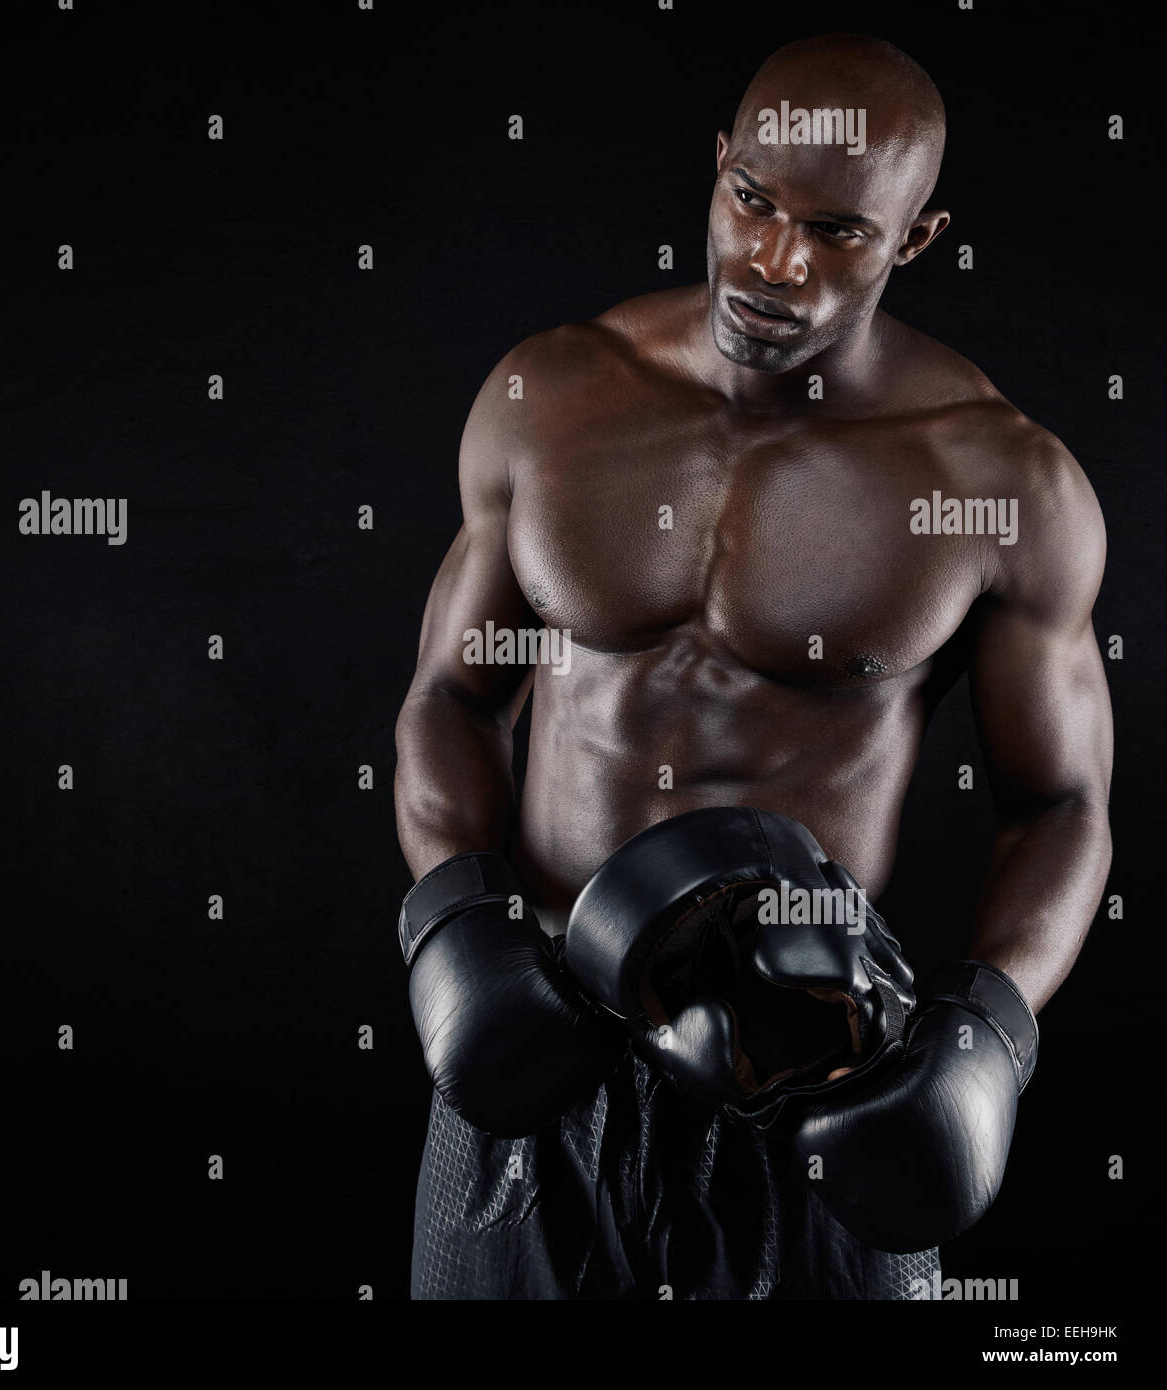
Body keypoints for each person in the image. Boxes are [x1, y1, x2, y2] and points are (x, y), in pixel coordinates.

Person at [392, 32, 1112, 1299]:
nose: (775, 264)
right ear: (718, 167)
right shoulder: (555, 396)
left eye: (838, 232)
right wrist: (456, 915)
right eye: (754, 201)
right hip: (542, 1041)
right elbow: (452, 696)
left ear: (917, 239)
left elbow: (1060, 807)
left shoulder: (999, 481)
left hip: (824, 1082)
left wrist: (987, 1036)